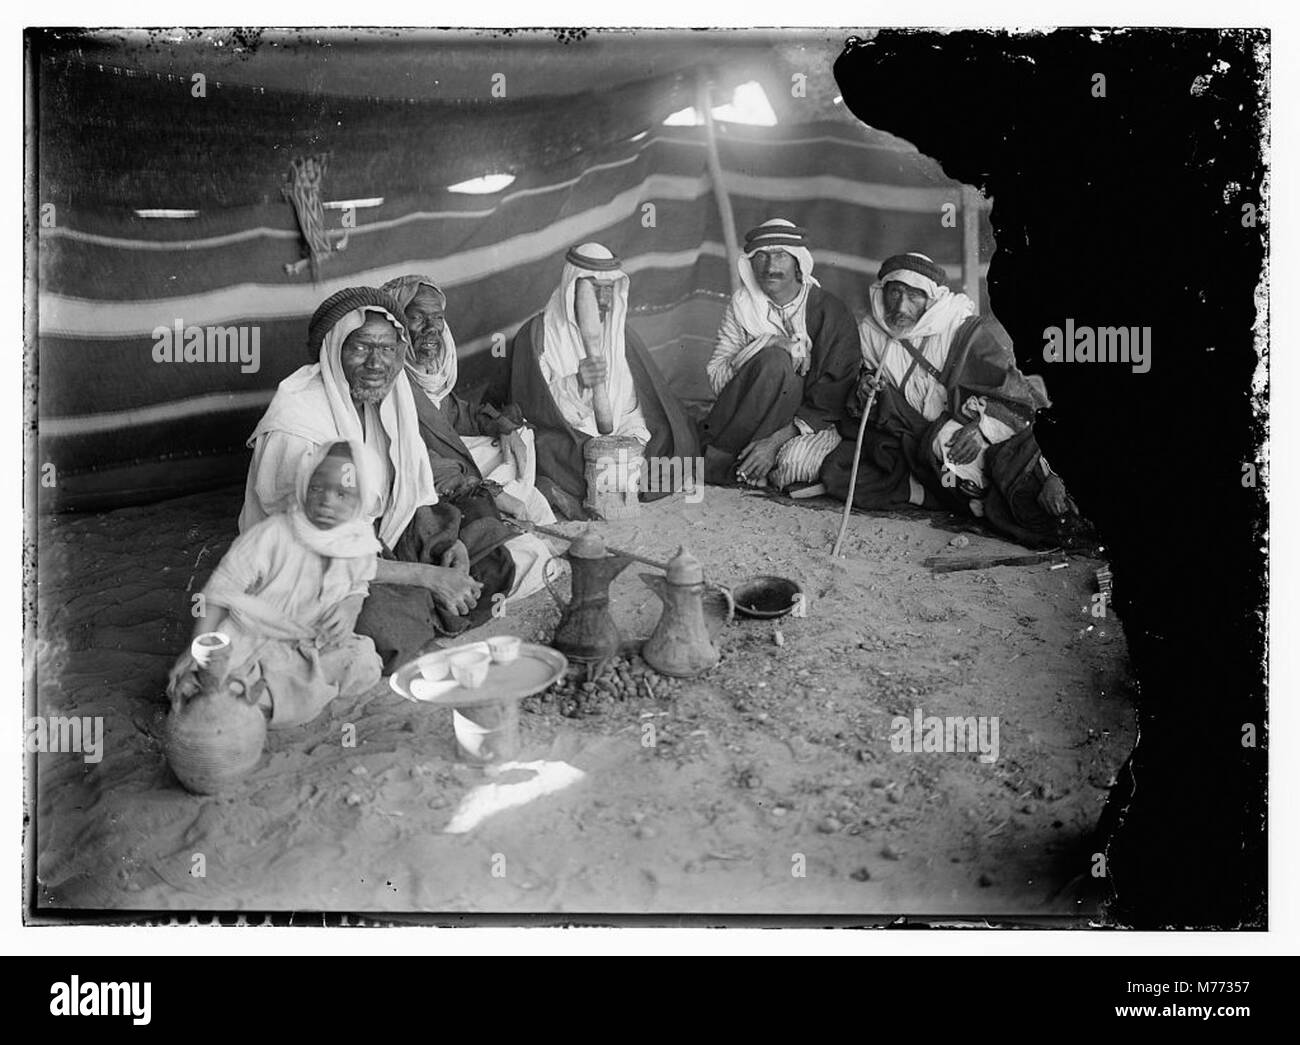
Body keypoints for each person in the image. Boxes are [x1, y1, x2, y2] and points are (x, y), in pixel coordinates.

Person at [240, 286, 511, 671]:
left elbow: (412, 496)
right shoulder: (297, 423)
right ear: (334, 352)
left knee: (489, 559)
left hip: (376, 542)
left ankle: (429, 602)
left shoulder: (390, 397)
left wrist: (451, 550)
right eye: (361, 347)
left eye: (386, 349)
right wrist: (429, 578)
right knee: (377, 624)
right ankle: (422, 609)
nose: (376, 363)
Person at [820, 251, 1086, 546]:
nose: (901, 306)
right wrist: (865, 387)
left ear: (932, 299)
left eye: (914, 296)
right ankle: (952, 493)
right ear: (882, 293)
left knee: (1019, 482)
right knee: (841, 472)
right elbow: (861, 389)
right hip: (917, 438)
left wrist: (981, 428)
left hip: (984, 432)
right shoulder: (871, 333)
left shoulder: (963, 328)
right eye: (894, 293)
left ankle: (969, 495)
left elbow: (1013, 395)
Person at [168, 440, 384, 727]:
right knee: (208, 684)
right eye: (317, 488)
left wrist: (350, 607)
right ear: (305, 484)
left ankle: (258, 701)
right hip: (252, 638)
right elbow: (219, 593)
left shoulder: (357, 541)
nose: (327, 500)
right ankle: (251, 698)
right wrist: (203, 650)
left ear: (363, 500)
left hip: (309, 642)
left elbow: (359, 583)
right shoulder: (273, 535)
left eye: (343, 493)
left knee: (365, 661)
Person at [381, 274, 555, 598]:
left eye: (438, 318)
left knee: (519, 436)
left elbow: (456, 413)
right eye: (417, 317)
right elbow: (411, 459)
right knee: (525, 556)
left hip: (451, 477)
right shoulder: (385, 377)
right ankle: (498, 522)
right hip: (421, 493)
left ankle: (505, 516)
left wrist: (502, 427)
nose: (431, 329)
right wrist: (483, 490)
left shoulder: (426, 375)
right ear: (394, 325)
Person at [509, 242, 699, 518]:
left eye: (607, 290)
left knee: (676, 440)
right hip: (569, 434)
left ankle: (622, 475)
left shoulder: (621, 333)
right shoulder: (538, 334)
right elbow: (533, 408)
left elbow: (636, 404)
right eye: (592, 290)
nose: (601, 300)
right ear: (571, 289)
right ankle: (610, 480)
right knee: (543, 450)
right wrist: (577, 384)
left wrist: (634, 439)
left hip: (620, 432)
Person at [700, 219, 860, 490]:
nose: (770, 266)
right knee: (775, 361)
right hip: (748, 414)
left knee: (795, 466)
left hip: (807, 423)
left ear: (798, 264)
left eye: (780, 256)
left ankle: (756, 459)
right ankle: (730, 462)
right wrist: (768, 343)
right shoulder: (742, 307)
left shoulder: (830, 311)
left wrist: (774, 442)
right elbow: (717, 379)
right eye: (761, 256)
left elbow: (833, 397)